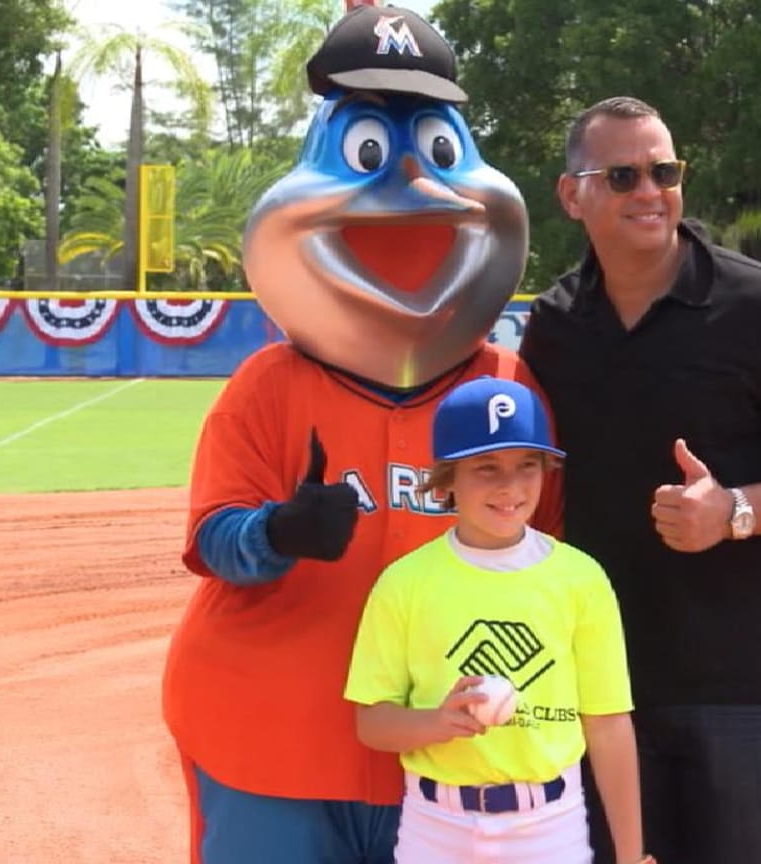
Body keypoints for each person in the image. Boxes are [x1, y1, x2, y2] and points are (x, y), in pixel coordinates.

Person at [161, 8, 556, 863]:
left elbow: (546, 564)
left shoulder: (507, 386)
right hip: (269, 741)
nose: (410, 185)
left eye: (439, 152)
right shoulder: (270, 385)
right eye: (371, 151)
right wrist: (276, 532)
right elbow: (213, 541)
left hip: (447, 759)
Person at [519, 96, 761, 864]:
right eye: (622, 175)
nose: (649, 191)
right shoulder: (553, 326)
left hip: (742, 686)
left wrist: (736, 510)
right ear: (571, 194)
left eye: (665, 170)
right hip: (595, 685)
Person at [345, 377, 649, 864]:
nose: (510, 486)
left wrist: (632, 856)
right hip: (437, 825)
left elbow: (609, 723)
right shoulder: (405, 582)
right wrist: (436, 722)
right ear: (446, 479)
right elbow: (372, 723)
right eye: (486, 467)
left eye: (527, 465)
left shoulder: (580, 578)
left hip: (550, 826)